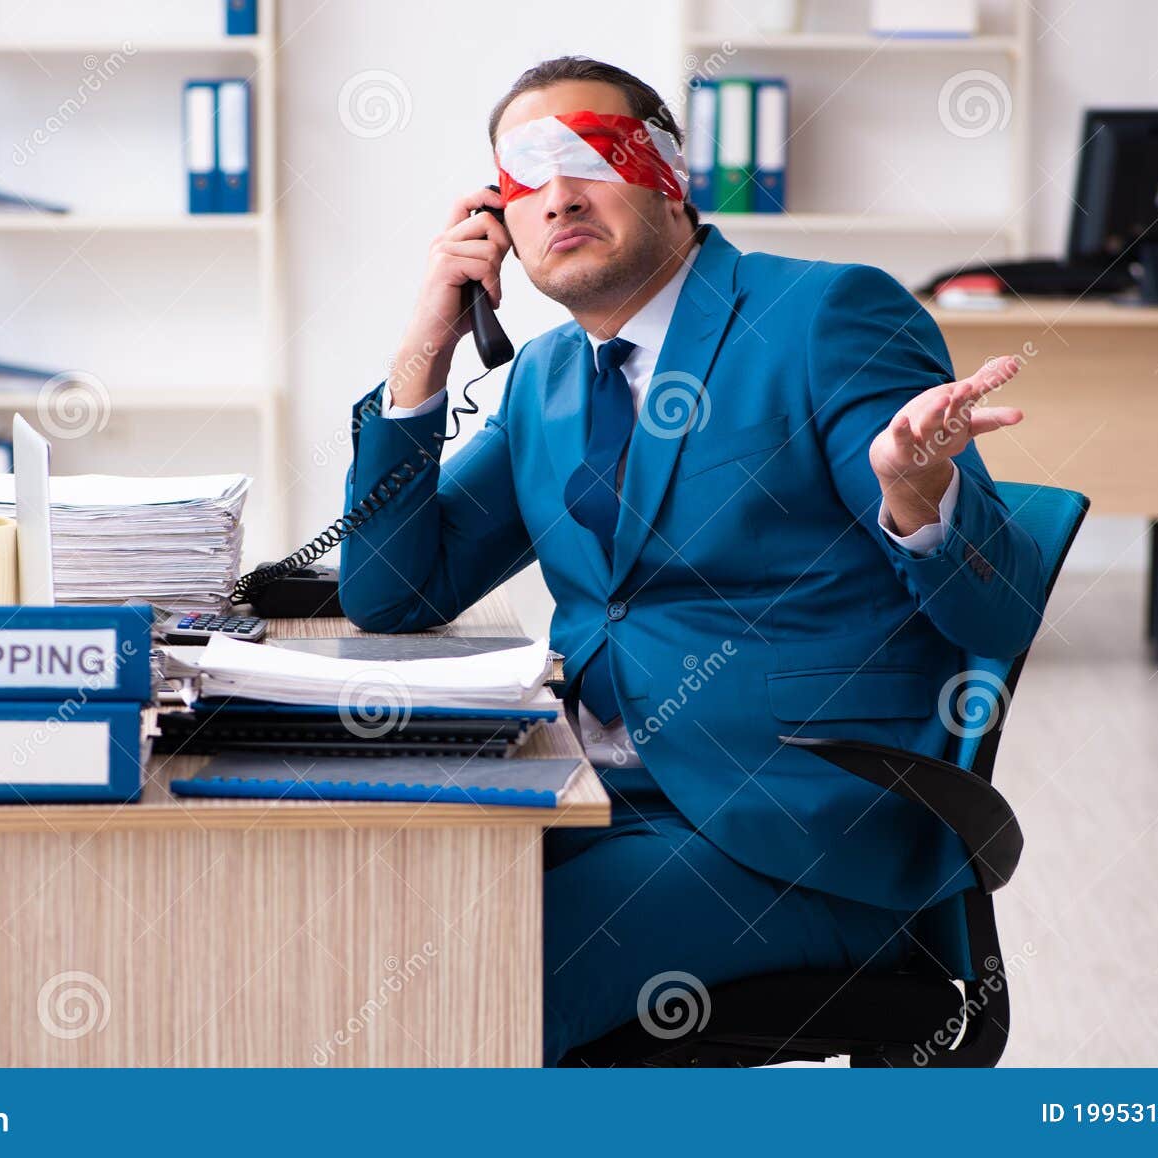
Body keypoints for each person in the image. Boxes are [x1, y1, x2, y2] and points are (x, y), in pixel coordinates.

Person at [337, 56, 1044, 1065]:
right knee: (360, 931)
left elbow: (998, 610)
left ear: (670, 174)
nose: (559, 195)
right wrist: (425, 352)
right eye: (524, 178)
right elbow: (391, 593)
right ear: (495, 221)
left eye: (593, 154)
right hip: (589, 800)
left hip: (793, 840)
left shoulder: (824, 317)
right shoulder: (546, 380)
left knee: (474, 988)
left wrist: (918, 497)